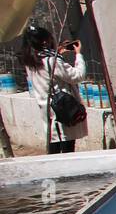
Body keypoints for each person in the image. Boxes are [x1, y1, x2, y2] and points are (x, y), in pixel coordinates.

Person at [20, 24, 87, 154]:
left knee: (54, 144)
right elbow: (78, 76)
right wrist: (78, 55)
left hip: (46, 108)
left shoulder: (30, 60)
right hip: (61, 108)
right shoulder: (52, 60)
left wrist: (57, 53)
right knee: (67, 145)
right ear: (45, 41)